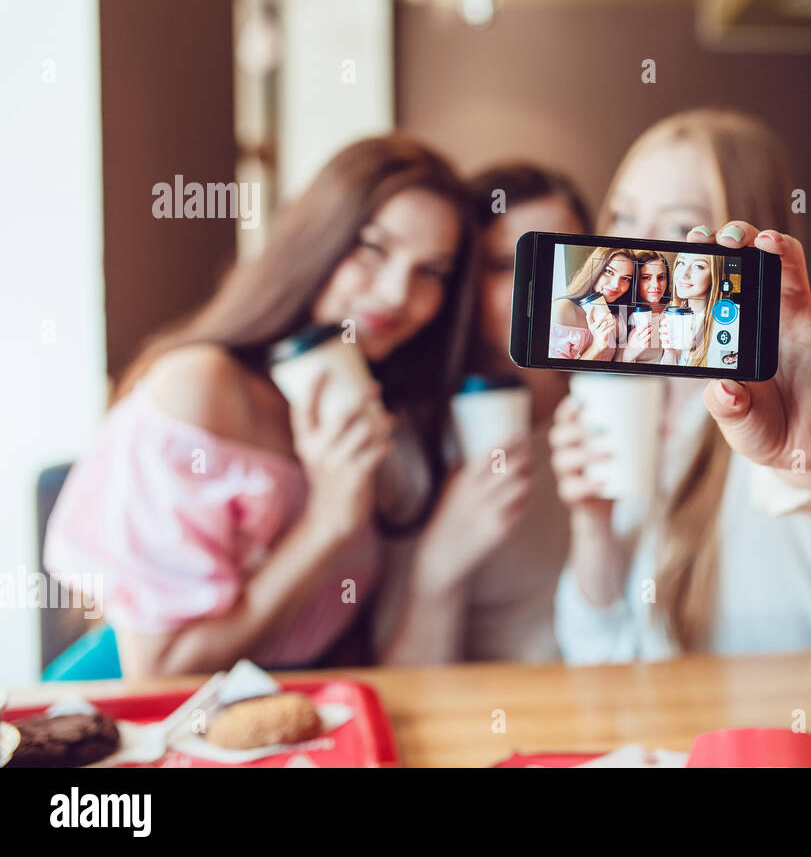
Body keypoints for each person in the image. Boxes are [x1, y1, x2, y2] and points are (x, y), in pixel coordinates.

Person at [43, 135, 492, 677]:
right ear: (318, 240)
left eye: (432, 272)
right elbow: (159, 670)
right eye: (373, 248)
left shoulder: (374, 398)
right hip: (143, 713)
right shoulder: (201, 389)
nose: (399, 293)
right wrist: (327, 521)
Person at [548, 109, 811, 662]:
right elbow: (595, 653)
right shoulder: (616, 395)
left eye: (679, 229)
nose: (637, 246)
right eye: (624, 215)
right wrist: (592, 519)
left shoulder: (778, 394)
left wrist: (804, 454)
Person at [373, 162, 592, 662]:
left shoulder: (626, 411)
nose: (544, 286)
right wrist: (438, 568)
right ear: (462, 287)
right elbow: (403, 682)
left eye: (565, 260)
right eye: (505, 265)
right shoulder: (411, 444)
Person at [548, 247, 636, 360]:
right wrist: (597, 347)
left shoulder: (616, 314)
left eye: (625, 278)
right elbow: (558, 375)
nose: (615, 285)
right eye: (609, 272)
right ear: (594, 270)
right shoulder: (562, 310)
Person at [658, 252, 722, 367]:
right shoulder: (674, 317)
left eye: (698, 266)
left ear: (714, 275)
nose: (684, 274)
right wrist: (669, 351)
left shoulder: (721, 325)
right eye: (681, 263)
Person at [621, 250, 672, 363]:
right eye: (646, 277)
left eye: (661, 277)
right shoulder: (623, 314)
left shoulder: (674, 309)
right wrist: (630, 352)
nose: (656, 285)